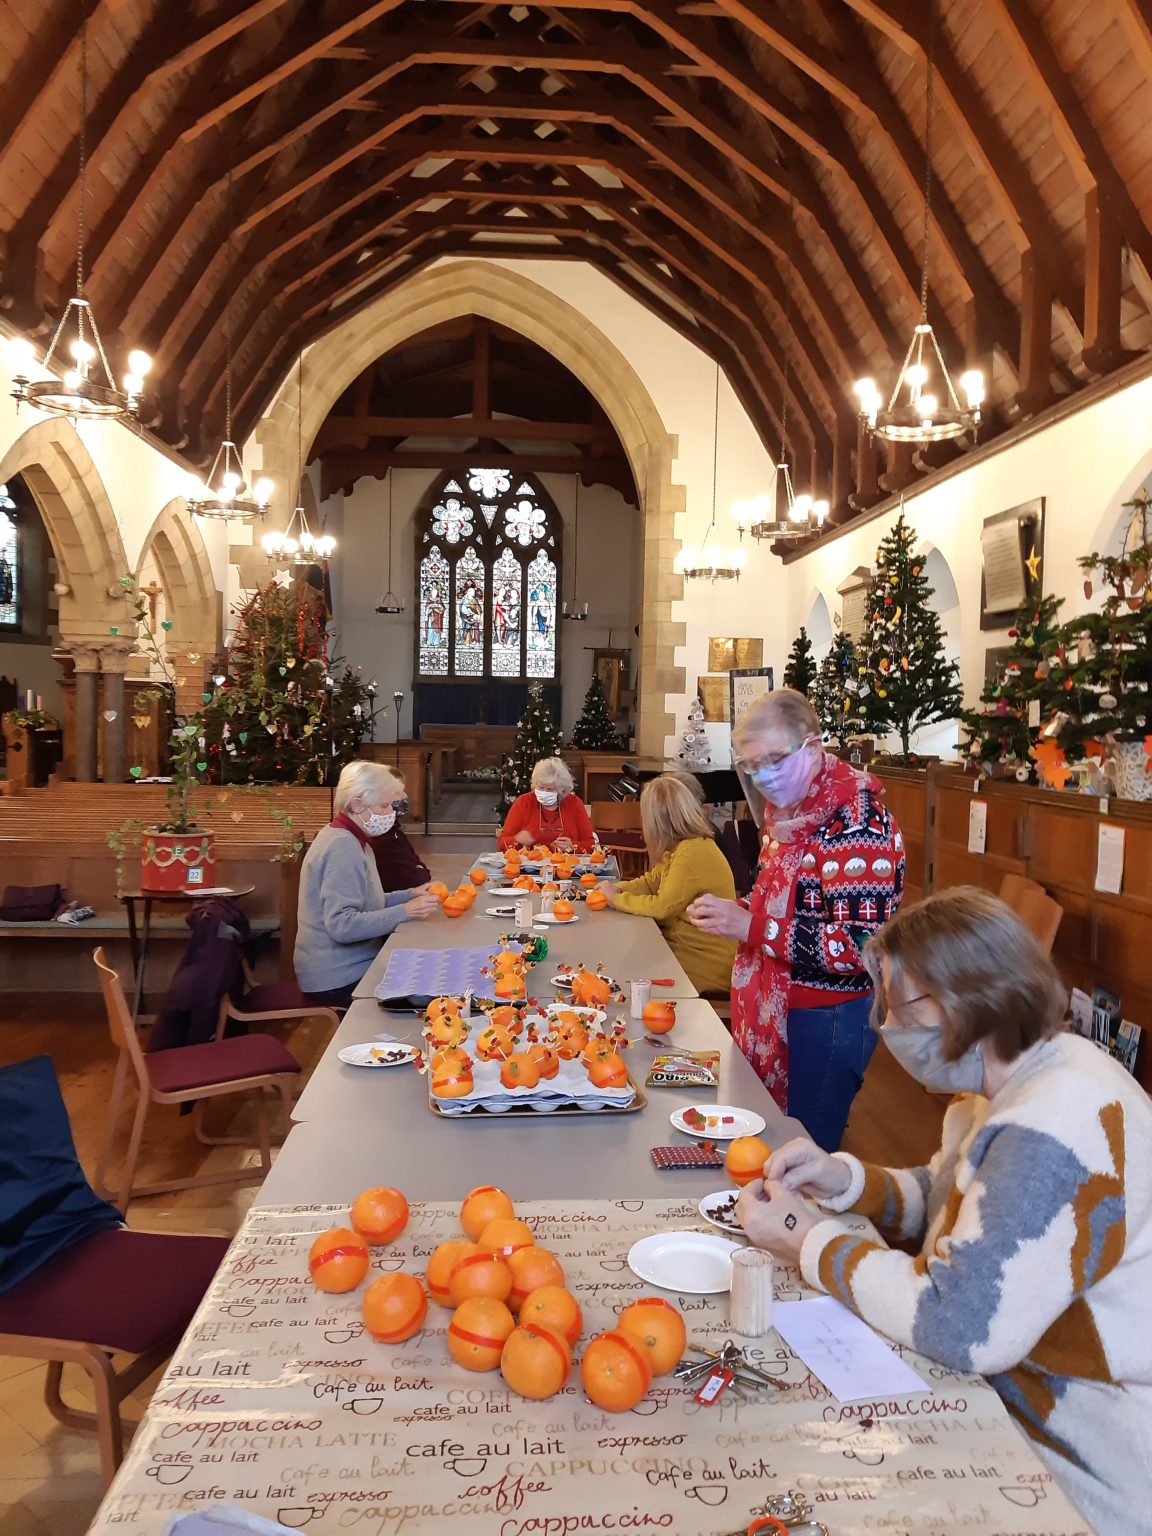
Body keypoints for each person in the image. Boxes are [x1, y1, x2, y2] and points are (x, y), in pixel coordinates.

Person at [737, 887, 1152, 1535]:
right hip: (1013, 1409)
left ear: (959, 1004)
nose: (885, 1025)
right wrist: (839, 1178)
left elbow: (958, 1324)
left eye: (900, 1008)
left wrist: (806, 1241)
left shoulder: (1050, 1127)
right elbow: (948, 1199)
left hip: (1074, 1467)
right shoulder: (1027, 1077)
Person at [687, 688, 903, 1150]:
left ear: (813, 746)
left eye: (775, 759)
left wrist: (751, 928)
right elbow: (790, 908)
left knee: (803, 1155)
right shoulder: (791, 814)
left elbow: (861, 947)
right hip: (778, 1004)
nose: (764, 777)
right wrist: (737, 911)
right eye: (751, 766)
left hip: (825, 1018)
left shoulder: (857, 821)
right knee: (766, 1143)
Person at [295, 760, 440, 1007]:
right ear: (357, 804)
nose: (390, 813)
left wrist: (409, 894)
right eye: (384, 806)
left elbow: (371, 903)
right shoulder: (342, 845)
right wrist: (405, 911)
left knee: (430, 968)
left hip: (352, 964)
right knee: (432, 990)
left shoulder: (354, 838)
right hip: (337, 976)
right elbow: (342, 925)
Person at [599, 775, 736, 995]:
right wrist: (618, 889)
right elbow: (652, 882)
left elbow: (661, 907)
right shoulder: (684, 847)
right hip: (681, 953)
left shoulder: (692, 854)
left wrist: (615, 900)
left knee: (620, 975)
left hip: (700, 968)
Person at [498, 756, 594, 852]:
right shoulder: (524, 802)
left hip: (566, 864)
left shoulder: (574, 803)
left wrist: (573, 846)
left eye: (550, 789)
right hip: (530, 863)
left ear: (561, 789)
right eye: (540, 788)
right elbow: (502, 844)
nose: (544, 792)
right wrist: (517, 840)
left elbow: (590, 845)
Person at [368, 787, 432, 893]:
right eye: (398, 791)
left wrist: (419, 870)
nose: (404, 796)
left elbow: (416, 862)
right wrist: (419, 871)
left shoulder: (396, 832)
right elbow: (406, 880)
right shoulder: (381, 837)